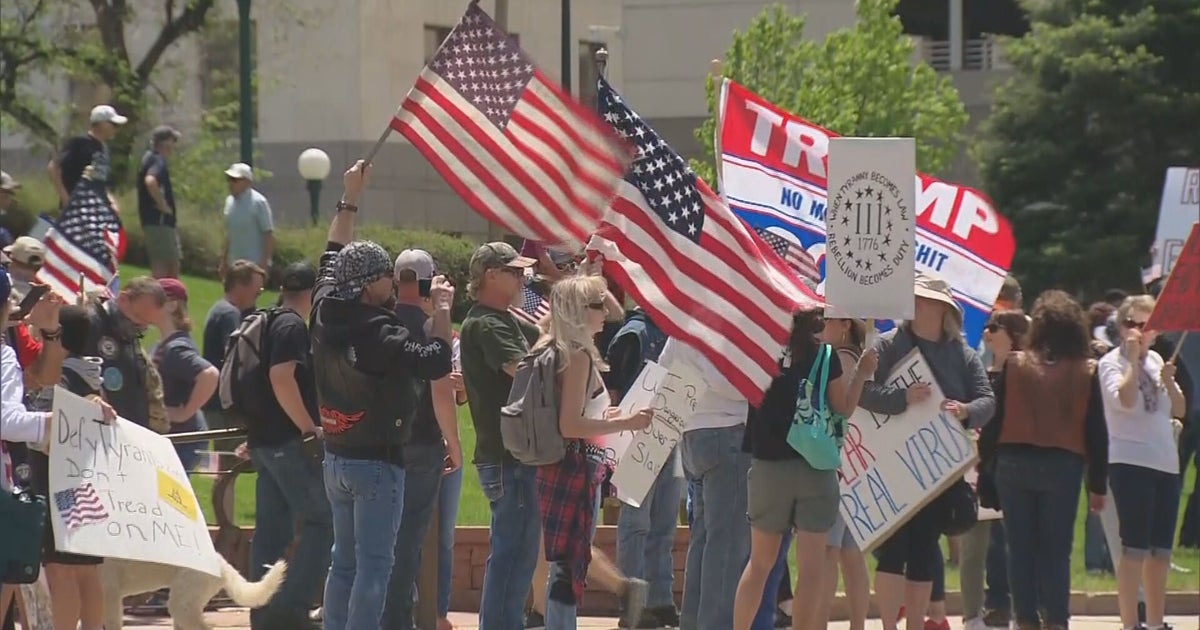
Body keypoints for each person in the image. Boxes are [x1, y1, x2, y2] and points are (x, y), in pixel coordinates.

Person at [312, 160, 454, 630]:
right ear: (370, 283)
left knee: (343, 564)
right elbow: (434, 361)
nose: (391, 284)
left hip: (336, 457)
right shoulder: (378, 332)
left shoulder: (324, 307)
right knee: (375, 565)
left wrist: (350, 195)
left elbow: (333, 249)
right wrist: (444, 316)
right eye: (384, 277)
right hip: (377, 463)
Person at [859, 272, 995, 630]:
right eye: (914, 299)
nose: (915, 305)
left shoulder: (962, 354)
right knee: (892, 552)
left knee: (923, 548)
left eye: (923, 300)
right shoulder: (889, 345)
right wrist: (901, 398)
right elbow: (863, 393)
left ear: (941, 310)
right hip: (893, 465)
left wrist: (964, 411)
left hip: (937, 471)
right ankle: (890, 625)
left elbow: (987, 401)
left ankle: (916, 624)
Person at [732, 308, 875, 630]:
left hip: (768, 467)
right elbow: (843, 408)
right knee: (811, 570)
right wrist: (863, 373)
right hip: (815, 465)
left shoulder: (759, 351)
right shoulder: (825, 356)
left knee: (759, 565)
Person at [528, 274, 653, 628]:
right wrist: (626, 422)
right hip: (574, 465)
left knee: (564, 562)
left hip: (553, 463)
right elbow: (570, 425)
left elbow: (569, 414)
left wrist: (608, 416)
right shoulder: (577, 355)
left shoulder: (548, 347)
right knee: (569, 566)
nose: (606, 309)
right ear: (580, 311)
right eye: (598, 303)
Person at [978, 291, 1108, 630]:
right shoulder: (1086, 370)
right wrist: (1098, 485)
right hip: (1063, 465)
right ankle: (1056, 620)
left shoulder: (1015, 364)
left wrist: (984, 470)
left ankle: (1025, 619)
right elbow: (1096, 430)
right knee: (1056, 550)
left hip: (1013, 462)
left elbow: (994, 421)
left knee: (1018, 548)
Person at [236, 261, 330, 630]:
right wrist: (308, 427)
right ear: (310, 293)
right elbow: (281, 377)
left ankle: (263, 612)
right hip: (287, 442)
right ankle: (291, 610)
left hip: (262, 442)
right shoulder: (292, 325)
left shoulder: (267, 319)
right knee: (324, 520)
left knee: (271, 531)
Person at [459, 241, 542, 630]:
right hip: (509, 458)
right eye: (514, 271)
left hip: (515, 455)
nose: (523, 277)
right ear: (491, 275)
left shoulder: (504, 317)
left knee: (519, 554)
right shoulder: (488, 323)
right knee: (512, 554)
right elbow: (524, 370)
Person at [382, 249, 465, 630]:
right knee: (408, 541)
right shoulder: (433, 329)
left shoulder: (378, 323)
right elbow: (440, 391)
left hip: (379, 443)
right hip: (422, 444)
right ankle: (397, 620)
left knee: (378, 536)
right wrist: (454, 442)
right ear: (429, 283)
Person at [1098, 295, 1186, 630]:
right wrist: (1133, 363)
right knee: (1133, 547)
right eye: (1131, 324)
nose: (1138, 331)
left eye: (1145, 325)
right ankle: (1129, 622)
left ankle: (1155, 622)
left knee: (1161, 551)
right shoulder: (1111, 363)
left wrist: (1167, 380)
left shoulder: (1158, 361)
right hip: (1129, 461)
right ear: (1121, 327)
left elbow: (1178, 409)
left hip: (1164, 461)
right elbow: (1126, 398)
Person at [29, 305, 118, 630]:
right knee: (87, 569)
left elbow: (43, 434)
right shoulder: (93, 377)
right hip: (89, 486)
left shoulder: (61, 379)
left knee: (60, 568)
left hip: (59, 486)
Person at [657, 335, 751, 630]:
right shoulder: (724, 324)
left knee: (704, 537)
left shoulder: (683, 323)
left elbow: (663, 369)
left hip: (693, 433)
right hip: (727, 432)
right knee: (726, 542)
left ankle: (694, 622)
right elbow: (733, 385)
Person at [810, 316, 873, 630]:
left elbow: (841, 409)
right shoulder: (854, 357)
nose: (821, 326)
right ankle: (857, 625)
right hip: (854, 464)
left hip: (837, 462)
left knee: (828, 552)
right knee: (850, 553)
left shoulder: (841, 359)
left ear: (845, 325)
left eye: (827, 320)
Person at [83, 276, 168, 430]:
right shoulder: (90, 323)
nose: (140, 329)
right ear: (123, 299)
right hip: (96, 430)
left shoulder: (127, 331)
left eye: (147, 325)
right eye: (138, 320)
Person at [151, 278, 218, 471]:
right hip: (173, 440)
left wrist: (184, 412)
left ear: (172, 305)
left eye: (155, 298)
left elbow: (209, 374)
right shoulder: (165, 343)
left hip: (183, 441)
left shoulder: (176, 348)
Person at [202, 260, 266, 444]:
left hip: (214, 400)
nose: (258, 297)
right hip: (223, 404)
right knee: (232, 461)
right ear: (240, 286)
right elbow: (238, 356)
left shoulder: (220, 308)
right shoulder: (230, 314)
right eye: (257, 291)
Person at [48, 105, 126, 210]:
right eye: (113, 124)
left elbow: (99, 180)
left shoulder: (104, 148)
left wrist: (111, 201)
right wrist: (65, 198)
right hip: (77, 207)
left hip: (97, 208)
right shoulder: (80, 143)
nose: (116, 128)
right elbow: (53, 167)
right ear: (101, 124)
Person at [137, 125, 183, 278]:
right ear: (165, 143)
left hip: (151, 221)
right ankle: (163, 300)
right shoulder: (158, 160)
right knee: (169, 267)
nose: (173, 146)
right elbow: (150, 181)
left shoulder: (147, 158)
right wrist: (163, 206)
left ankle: (159, 300)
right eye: (172, 141)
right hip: (160, 221)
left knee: (161, 263)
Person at [220, 163, 275, 277]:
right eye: (229, 179)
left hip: (253, 264)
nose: (230, 183)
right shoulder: (229, 202)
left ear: (247, 182)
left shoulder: (259, 202)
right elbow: (229, 233)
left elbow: (268, 234)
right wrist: (224, 260)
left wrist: (265, 262)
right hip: (233, 264)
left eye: (235, 180)